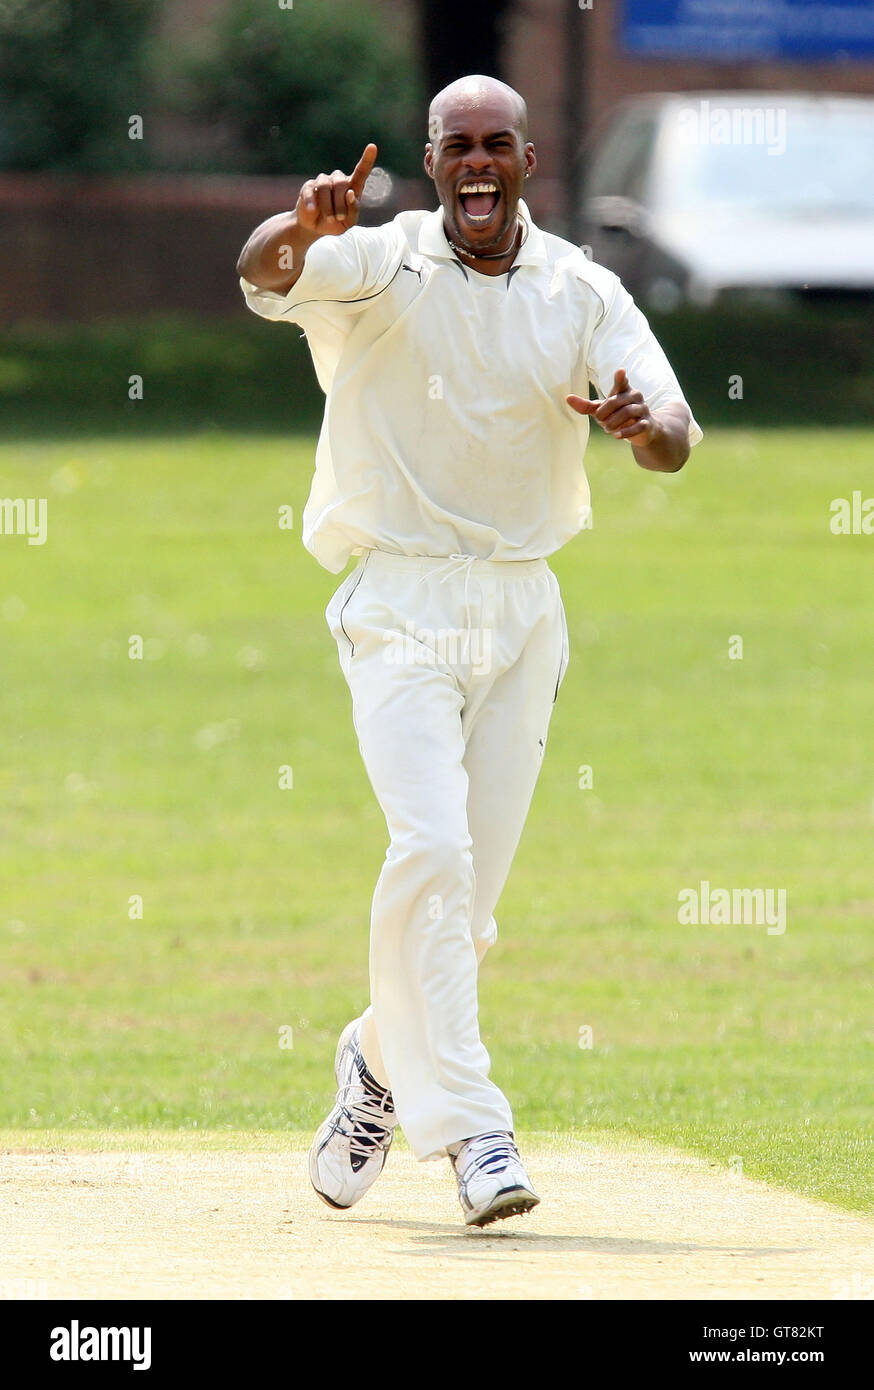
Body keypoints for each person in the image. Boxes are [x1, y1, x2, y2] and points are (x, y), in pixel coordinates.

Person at [237, 75, 702, 1228]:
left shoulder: (579, 290)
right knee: (430, 848)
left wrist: (648, 429)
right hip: (396, 599)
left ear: (529, 163)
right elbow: (261, 276)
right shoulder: (380, 258)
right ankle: (475, 1134)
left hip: (522, 612)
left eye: (500, 144)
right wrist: (298, 225)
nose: (480, 163)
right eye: (460, 146)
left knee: (467, 901)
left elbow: (677, 435)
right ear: (433, 161)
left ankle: (377, 1067)